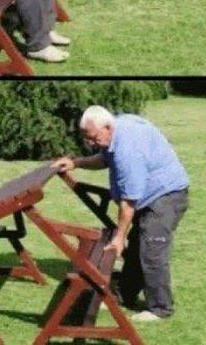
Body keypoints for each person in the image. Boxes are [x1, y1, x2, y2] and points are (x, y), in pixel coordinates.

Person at [52, 105, 189, 322]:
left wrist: (118, 237)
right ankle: (124, 295)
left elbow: (128, 202)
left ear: (106, 127)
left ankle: (161, 308)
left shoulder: (128, 149)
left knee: (151, 249)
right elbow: (104, 159)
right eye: (87, 138)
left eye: (93, 137)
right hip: (155, 193)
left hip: (166, 196)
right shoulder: (115, 130)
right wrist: (76, 163)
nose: (90, 143)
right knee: (138, 246)